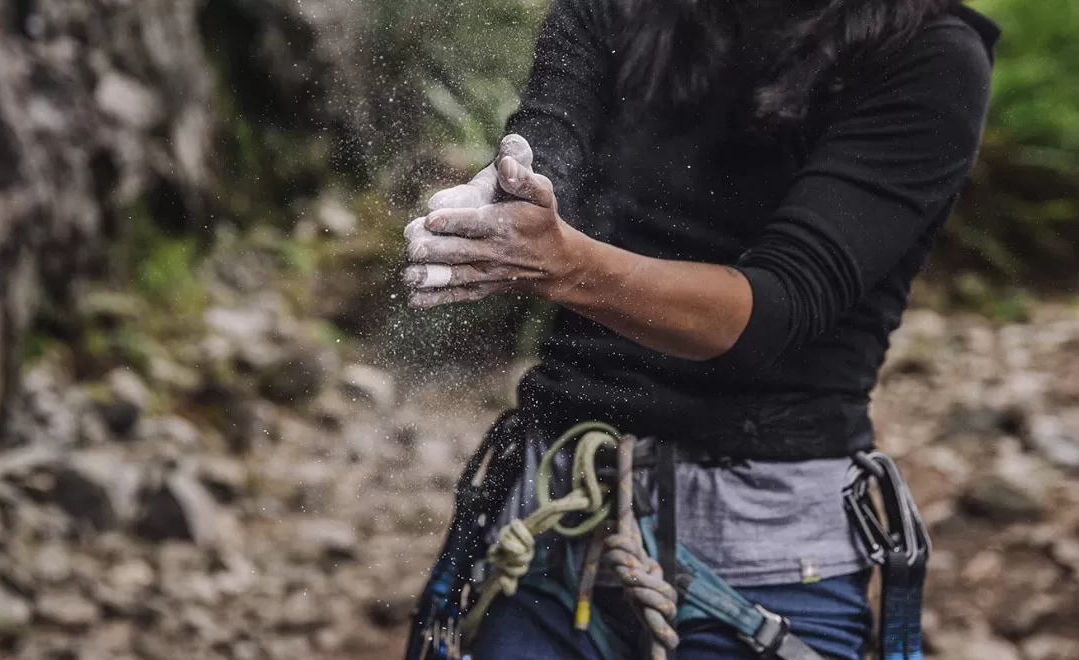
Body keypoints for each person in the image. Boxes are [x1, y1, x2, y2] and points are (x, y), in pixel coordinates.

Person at [403, 0, 1000, 658]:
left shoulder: (929, 56)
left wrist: (563, 264)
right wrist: (508, 199)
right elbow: (547, 155)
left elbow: (776, 307)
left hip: (770, 565)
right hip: (553, 530)